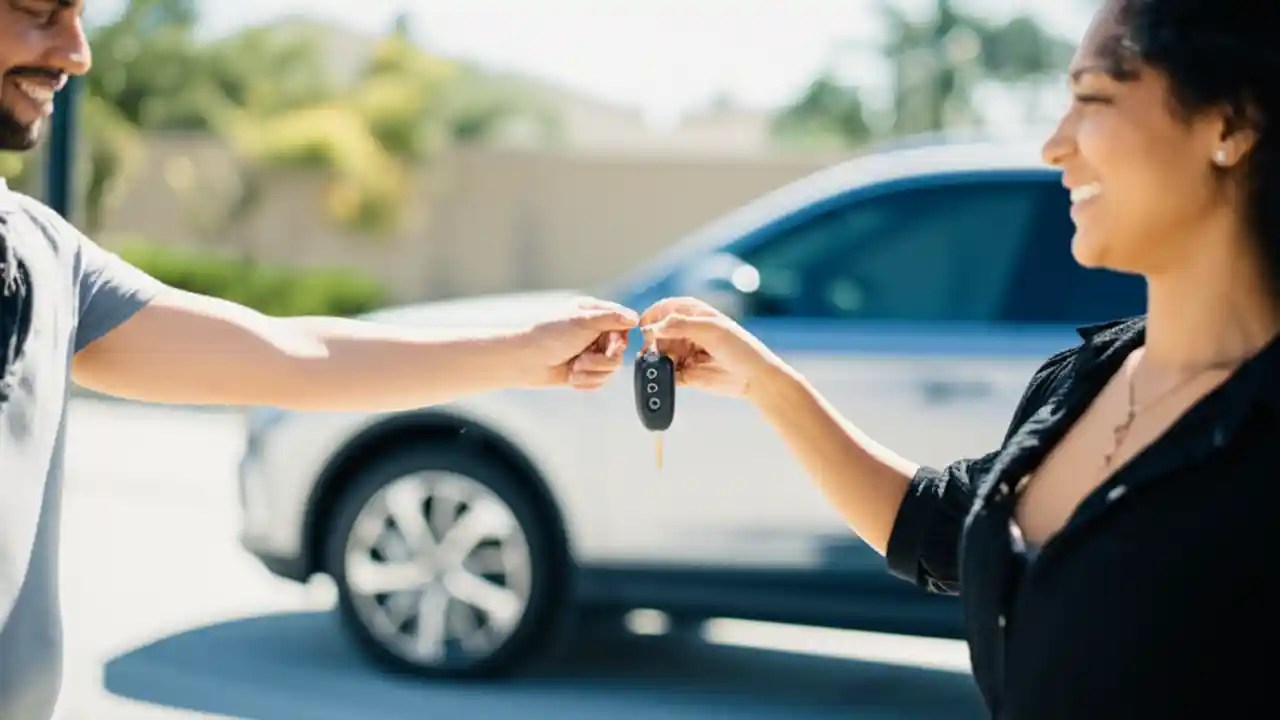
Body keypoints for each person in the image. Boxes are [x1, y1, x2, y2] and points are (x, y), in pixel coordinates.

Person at [0, 3, 637, 718]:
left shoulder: (41, 256)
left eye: (79, 16)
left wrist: (524, 357)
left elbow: (292, 356)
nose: (77, 52)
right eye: (39, 11)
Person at [642, 0, 1277, 717]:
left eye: (1093, 99)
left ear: (1229, 122)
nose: (1055, 145)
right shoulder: (1080, 383)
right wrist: (768, 386)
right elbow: (935, 530)